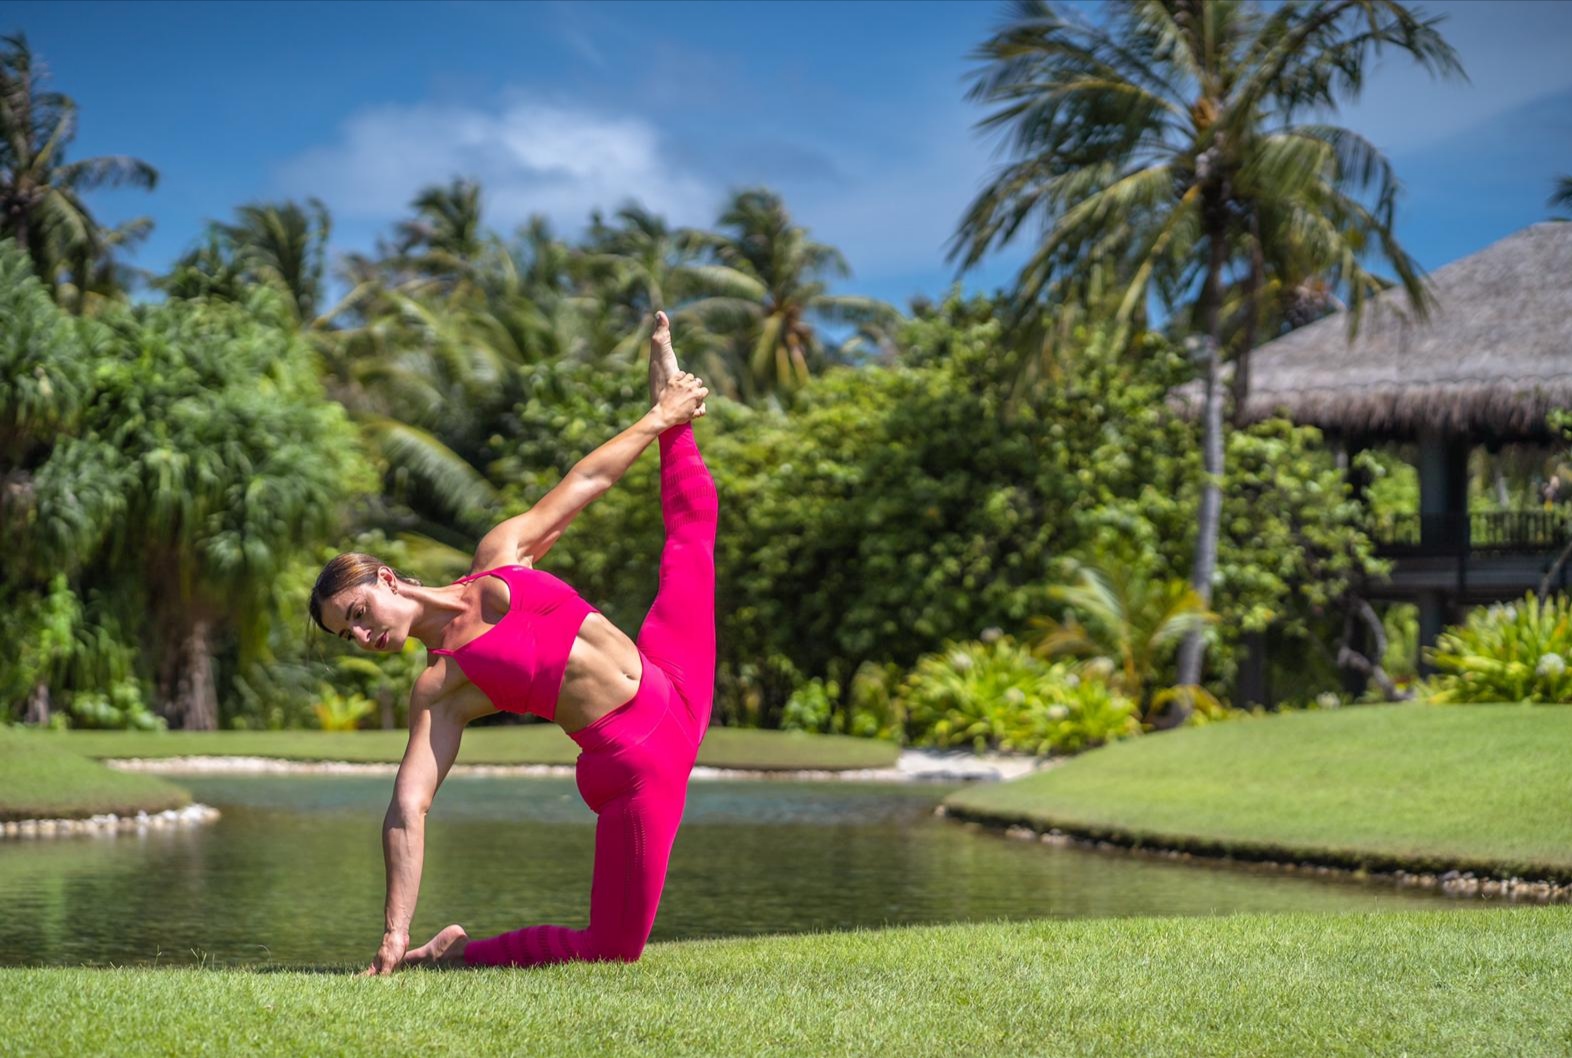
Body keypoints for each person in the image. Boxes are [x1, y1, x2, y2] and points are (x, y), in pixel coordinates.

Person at [309, 312, 716, 974]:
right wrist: (393, 930)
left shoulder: (500, 556)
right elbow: (408, 806)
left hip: (673, 678)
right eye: (347, 634)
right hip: (640, 768)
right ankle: (450, 959)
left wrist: (661, 418)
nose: (362, 634)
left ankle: (670, 395)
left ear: (387, 578)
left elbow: (585, 484)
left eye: (357, 612)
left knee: (693, 534)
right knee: (614, 951)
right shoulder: (443, 688)